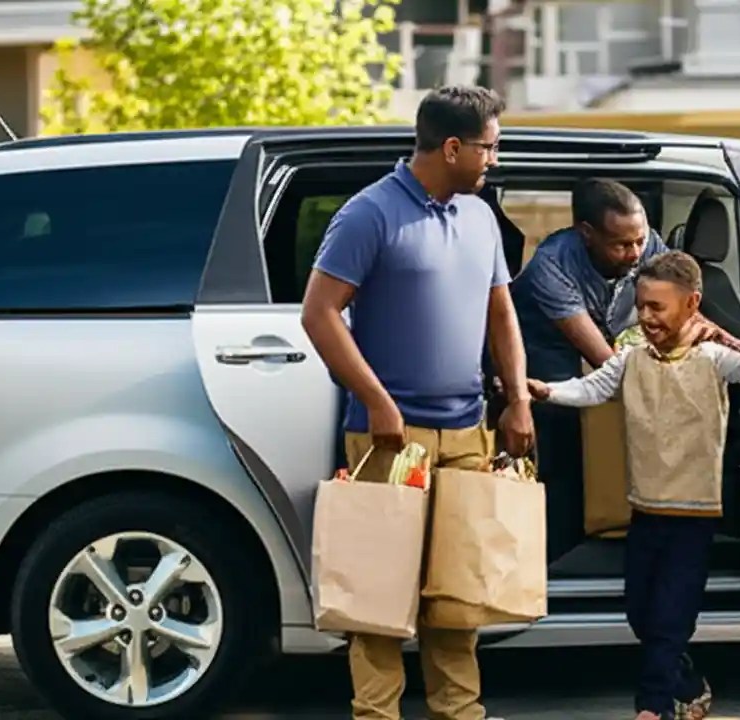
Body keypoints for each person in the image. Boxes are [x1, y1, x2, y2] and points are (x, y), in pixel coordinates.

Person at [300, 85, 534, 720]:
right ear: (453, 146)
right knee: (377, 600)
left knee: (458, 600)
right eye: (489, 147)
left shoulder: (482, 217)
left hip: (467, 434)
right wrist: (375, 401)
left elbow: (500, 312)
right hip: (387, 440)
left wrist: (517, 400)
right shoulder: (368, 214)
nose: (494, 159)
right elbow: (319, 314)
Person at [527, 251, 740, 720]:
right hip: (645, 509)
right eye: (641, 306)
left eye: (658, 307)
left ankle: (653, 707)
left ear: (691, 303)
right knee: (642, 613)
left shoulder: (714, 358)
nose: (646, 316)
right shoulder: (631, 358)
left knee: (670, 619)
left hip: (694, 513)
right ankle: (690, 685)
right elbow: (593, 389)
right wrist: (548, 391)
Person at [511, 179, 740, 561]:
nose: (636, 252)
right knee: (561, 430)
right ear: (587, 234)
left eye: (640, 241)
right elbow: (608, 362)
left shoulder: (646, 244)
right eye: (622, 245)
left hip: (608, 334)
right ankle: (554, 555)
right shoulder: (551, 265)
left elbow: (682, 310)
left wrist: (726, 343)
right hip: (546, 345)